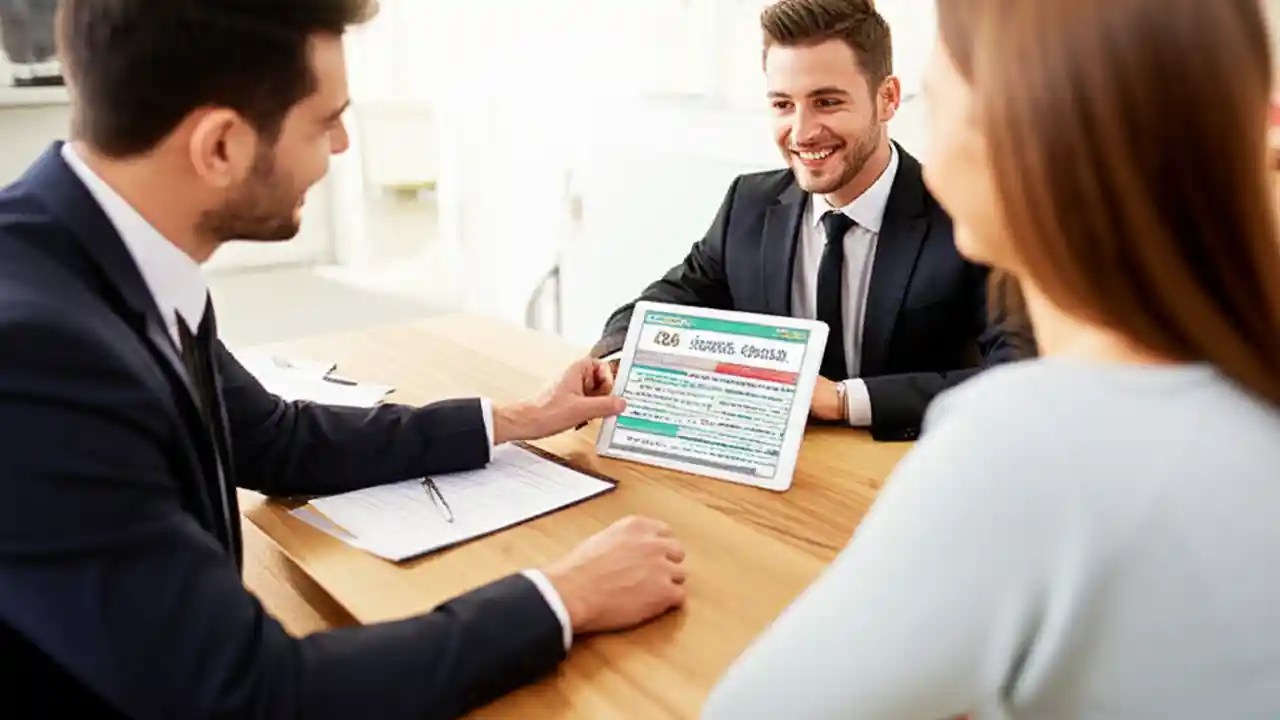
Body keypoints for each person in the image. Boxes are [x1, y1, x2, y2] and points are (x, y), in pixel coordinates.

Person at [0, 2, 687, 718]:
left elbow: (273, 441)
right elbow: (251, 696)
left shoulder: (113, 258)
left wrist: (522, 417)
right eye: (325, 121)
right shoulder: (35, 358)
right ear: (222, 147)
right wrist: (563, 597)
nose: (344, 146)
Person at [703, 0, 1280, 716]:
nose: (931, 159)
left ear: (1025, 140)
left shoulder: (1030, 440)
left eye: (939, 109)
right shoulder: (1243, 380)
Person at [591, 0, 1031, 442]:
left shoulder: (964, 213)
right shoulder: (748, 204)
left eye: (826, 102)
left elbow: (1020, 375)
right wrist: (613, 359)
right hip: (778, 473)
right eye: (783, 104)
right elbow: (662, 305)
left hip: (909, 468)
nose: (802, 132)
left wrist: (844, 399)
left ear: (888, 98)